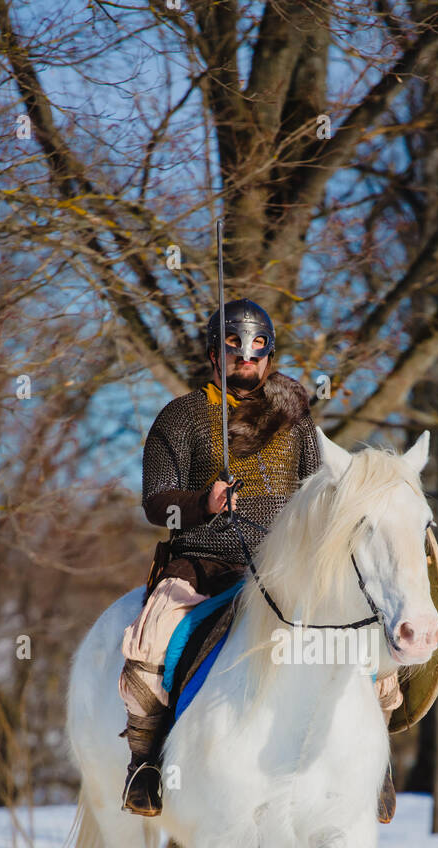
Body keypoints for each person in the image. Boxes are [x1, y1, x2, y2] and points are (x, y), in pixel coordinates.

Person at [119, 298, 401, 818]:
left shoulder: (295, 421)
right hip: (204, 562)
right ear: (213, 355)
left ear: (269, 355)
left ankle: (376, 761)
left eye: (255, 350)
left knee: (365, 636)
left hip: (284, 565)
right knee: (152, 639)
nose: (245, 359)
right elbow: (157, 503)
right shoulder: (180, 418)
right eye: (234, 349)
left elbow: (320, 489)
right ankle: (147, 760)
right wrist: (201, 504)